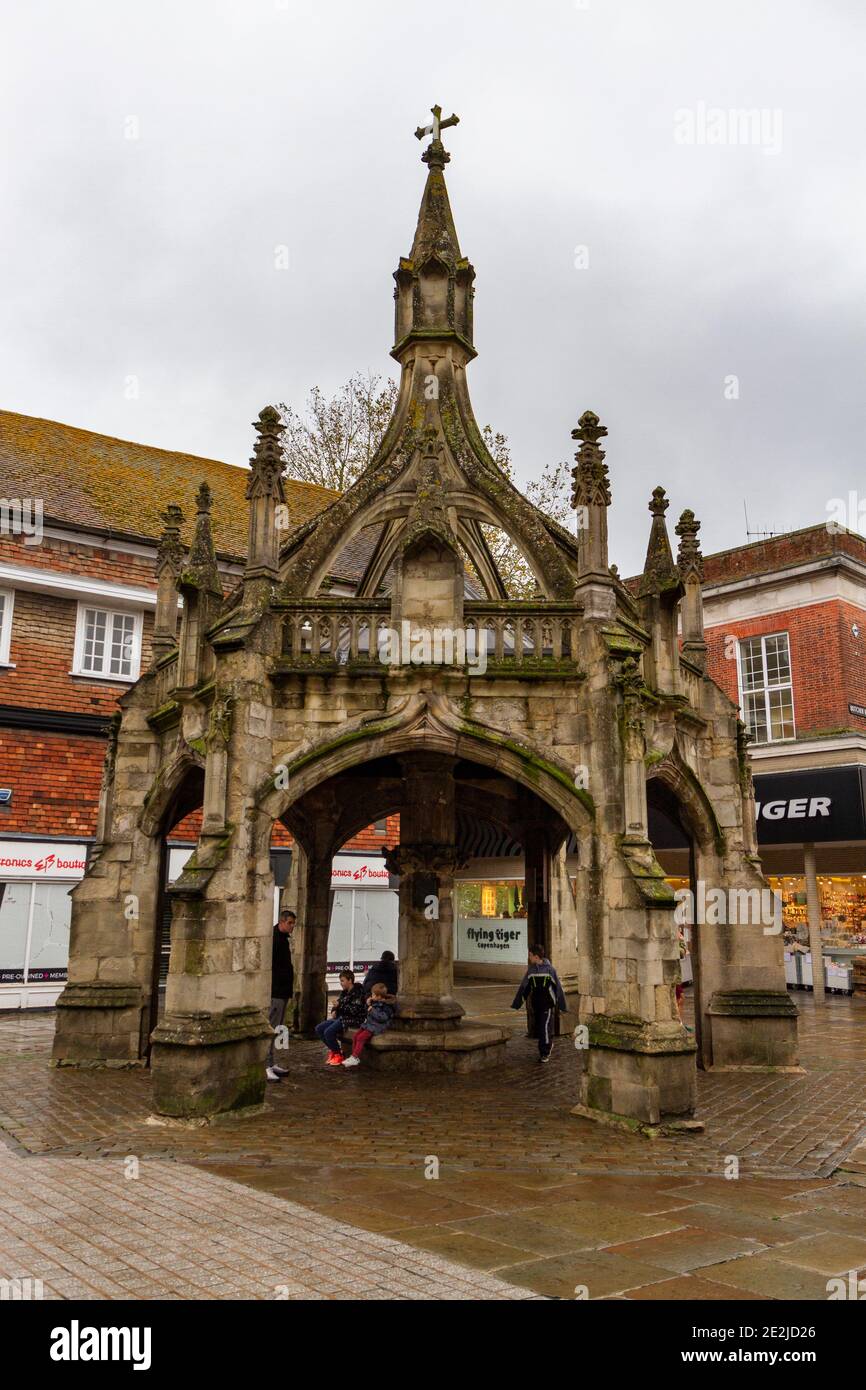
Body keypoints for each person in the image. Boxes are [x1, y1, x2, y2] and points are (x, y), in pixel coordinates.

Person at [511, 943, 567, 1063]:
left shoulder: (550, 970)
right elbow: (524, 987)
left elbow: (558, 988)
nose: (529, 958)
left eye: (530, 955)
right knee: (540, 1028)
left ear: (536, 957)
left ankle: (544, 1053)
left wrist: (562, 1005)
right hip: (535, 1005)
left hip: (547, 1004)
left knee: (544, 1028)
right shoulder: (531, 971)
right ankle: (548, 1044)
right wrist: (517, 1003)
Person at [266, 908, 296, 1082]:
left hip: (283, 990)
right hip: (276, 990)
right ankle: (265, 1065)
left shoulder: (282, 938)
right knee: (271, 1028)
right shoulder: (275, 939)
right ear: (282, 922)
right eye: (290, 923)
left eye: (293, 923)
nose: (292, 926)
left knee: (276, 1029)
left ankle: (271, 1062)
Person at [314, 970, 367, 1066]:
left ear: (350, 980)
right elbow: (338, 1004)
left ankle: (338, 1054)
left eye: (342, 981)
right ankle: (334, 1051)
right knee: (319, 1028)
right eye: (340, 981)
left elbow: (354, 1011)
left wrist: (340, 1006)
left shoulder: (358, 992)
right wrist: (334, 1011)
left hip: (354, 1019)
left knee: (328, 1032)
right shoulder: (344, 992)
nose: (341, 983)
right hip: (342, 1017)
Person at [341, 982, 395, 1068]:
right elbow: (368, 1012)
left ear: (379, 996)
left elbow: (383, 1018)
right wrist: (368, 1004)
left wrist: (372, 1010)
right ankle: (353, 1056)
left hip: (376, 1026)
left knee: (360, 1037)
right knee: (355, 1036)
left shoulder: (386, 1006)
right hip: (369, 1024)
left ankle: (355, 1057)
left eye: (373, 994)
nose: (371, 996)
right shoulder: (375, 1002)